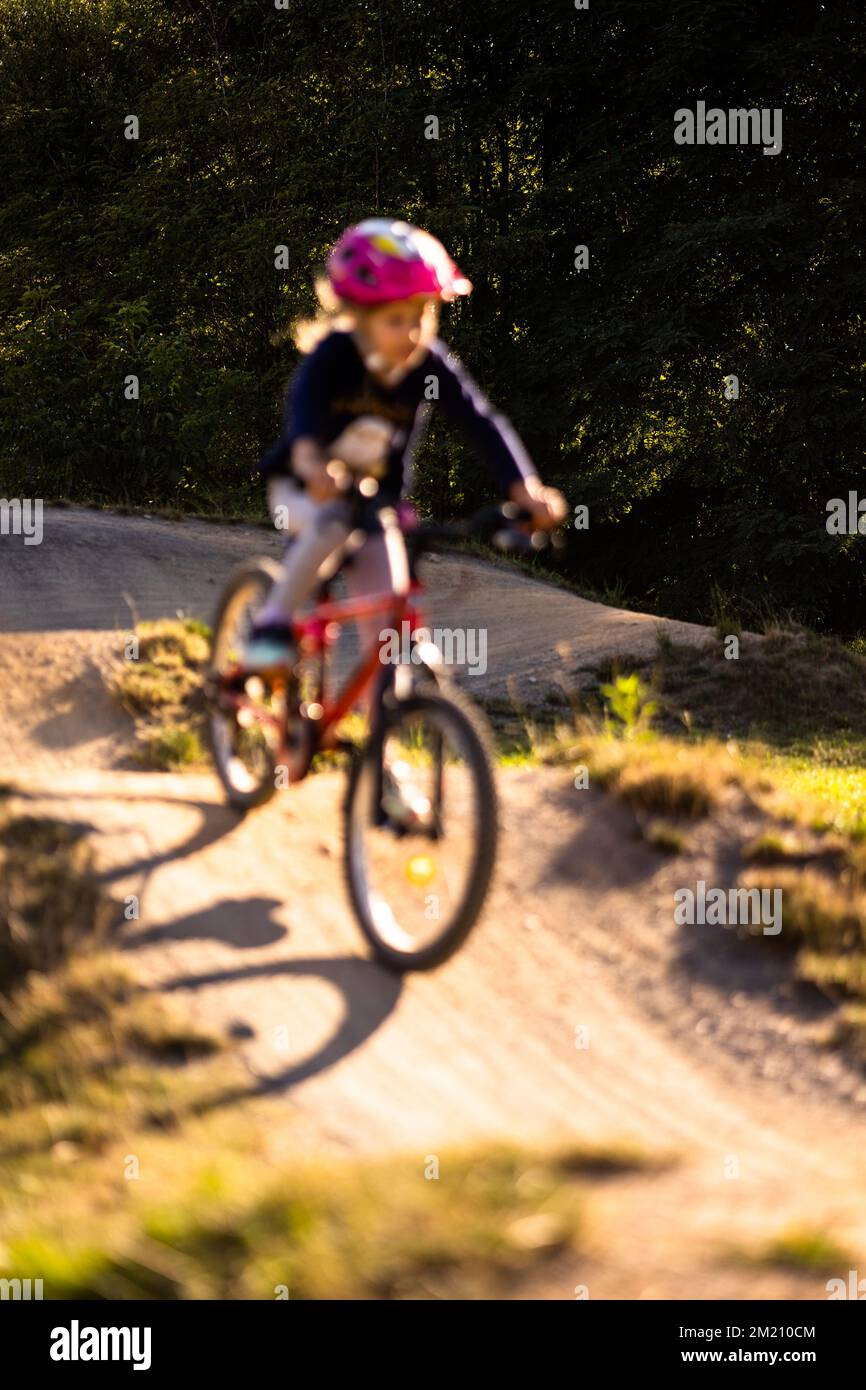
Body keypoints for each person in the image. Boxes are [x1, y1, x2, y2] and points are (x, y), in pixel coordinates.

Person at [244, 217, 567, 671]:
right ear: (358, 318)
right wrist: (312, 462)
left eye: (422, 317)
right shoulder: (335, 356)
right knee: (333, 524)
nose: (413, 333)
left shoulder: (427, 364)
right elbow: (304, 415)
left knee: (392, 633)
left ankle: (383, 731)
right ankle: (272, 625)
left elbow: (481, 421)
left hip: (374, 502)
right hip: (302, 489)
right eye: (397, 320)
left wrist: (525, 489)